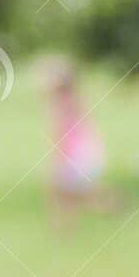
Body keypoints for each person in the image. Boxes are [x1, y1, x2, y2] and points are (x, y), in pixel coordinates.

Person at [41, 56, 117, 227]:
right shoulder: (77, 99)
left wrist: (58, 158)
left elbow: (59, 132)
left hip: (76, 153)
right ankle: (67, 225)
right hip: (87, 150)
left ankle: (62, 227)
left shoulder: (61, 104)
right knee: (75, 194)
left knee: (59, 191)